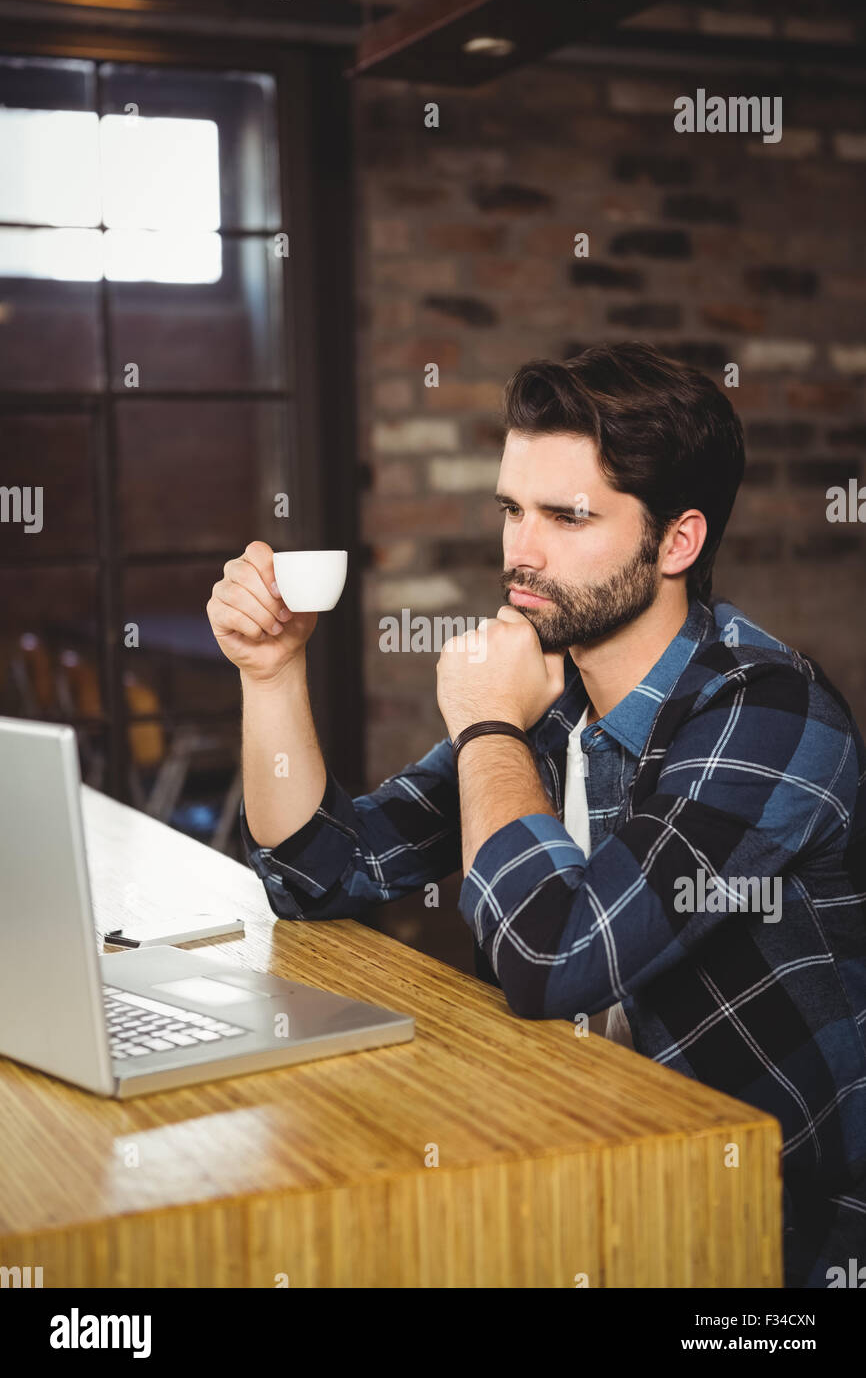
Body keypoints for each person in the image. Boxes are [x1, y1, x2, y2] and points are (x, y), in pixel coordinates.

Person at [206, 340, 866, 1288]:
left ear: (676, 542)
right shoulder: (554, 699)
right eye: (514, 509)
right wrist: (271, 672)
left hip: (773, 1238)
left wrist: (484, 725)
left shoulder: (768, 712)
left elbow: (553, 957)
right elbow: (320, 870)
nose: (521, 550)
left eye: (568, 516)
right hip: (585, 1171)